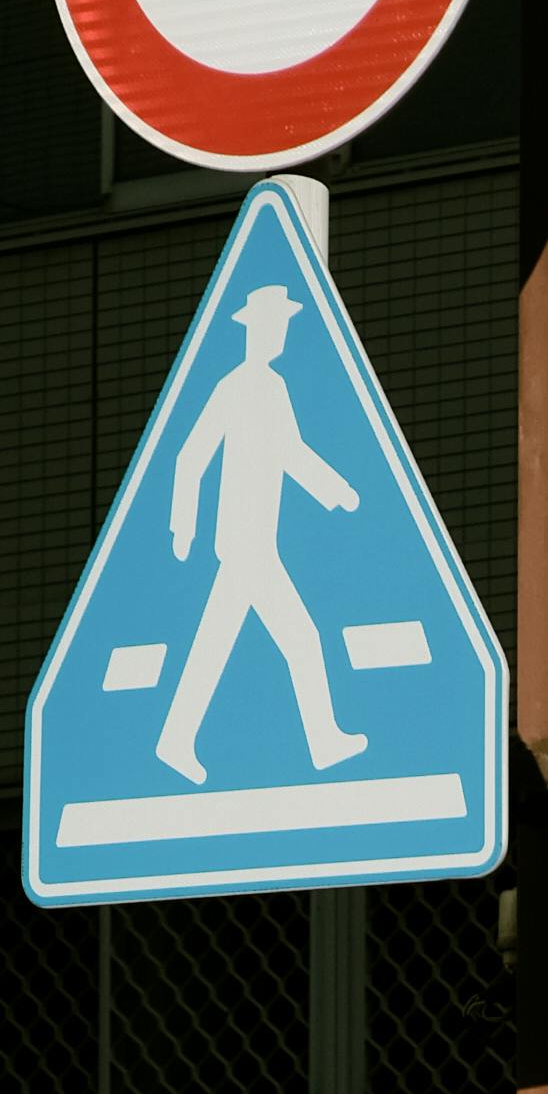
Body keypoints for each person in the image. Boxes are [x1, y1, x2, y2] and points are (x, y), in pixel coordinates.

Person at [156, 284, 364, 782]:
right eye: (276, 324)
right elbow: (190, 455)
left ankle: (175, 740)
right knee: (299, 638)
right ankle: (323, 742)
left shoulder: (273, 387)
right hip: (243, 544)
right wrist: (181, 526)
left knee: (222, 642)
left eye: (285, 324)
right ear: (256, 329)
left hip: (254, 543)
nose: (282, 332)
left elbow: (291, 451)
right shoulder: (236, 386)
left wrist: (336, 490)